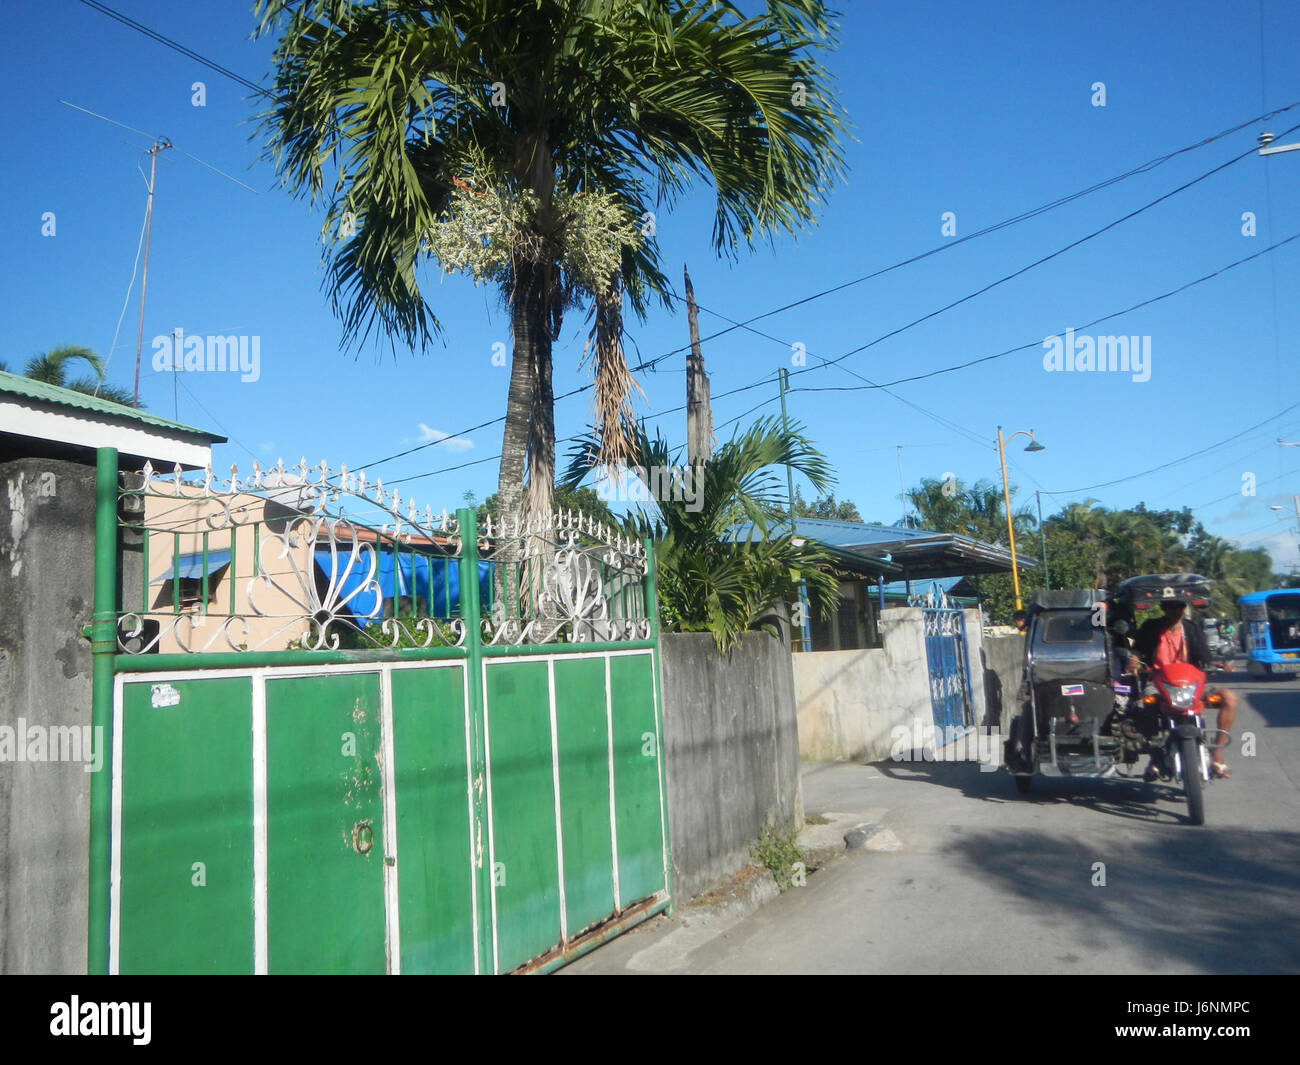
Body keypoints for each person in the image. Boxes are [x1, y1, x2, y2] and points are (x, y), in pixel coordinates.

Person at [1133, 598, 1237, 779]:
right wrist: (1133, 661)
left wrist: (1220, 664)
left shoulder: (1193, 629)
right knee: (1145, 705)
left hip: (1192, 685)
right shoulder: (1150, 627)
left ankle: (1217, 756)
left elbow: (1205, 656)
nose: (1174, 611)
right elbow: (1137, 651)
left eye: (1178, 606)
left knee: (1229, 698)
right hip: (1159, 684)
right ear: (1163, 608)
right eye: (1169, 606)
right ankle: (1155, 758)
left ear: (1184, 608)